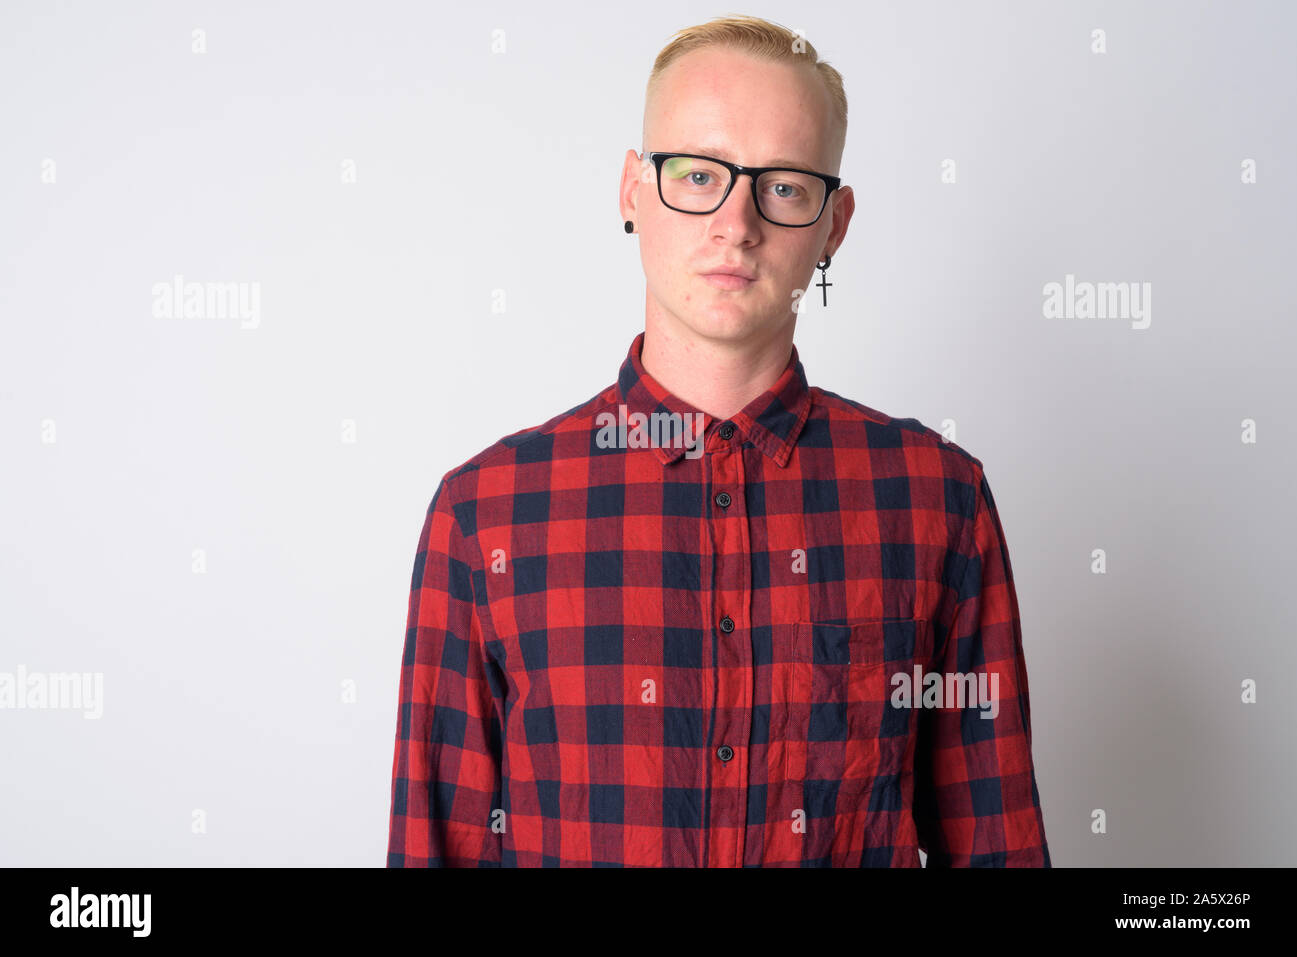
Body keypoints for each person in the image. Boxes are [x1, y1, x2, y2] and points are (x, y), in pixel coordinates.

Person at [387, 14, 1050, 867]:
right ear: (633, 190)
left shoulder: (938, 501)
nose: (736, 223)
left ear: (835, 224)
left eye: (784, 187)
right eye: (698, 174)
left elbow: (997, 846)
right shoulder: (484, 515)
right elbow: (435, 847)